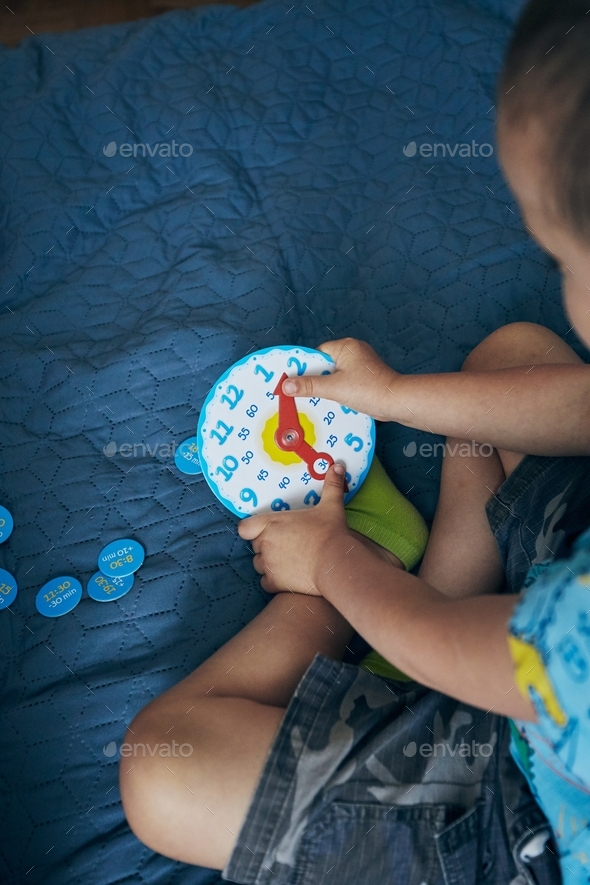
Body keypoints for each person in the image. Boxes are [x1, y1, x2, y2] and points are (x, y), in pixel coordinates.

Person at [119, 1, 590, 882]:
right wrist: (398, 396)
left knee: (162, 766)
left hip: (513, 813)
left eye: (562, 260)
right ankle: (428, 587)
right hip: (536, 646)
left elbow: (439, 634)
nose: (559, 274)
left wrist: (332, 562)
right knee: (512, 360)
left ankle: (367, 583)